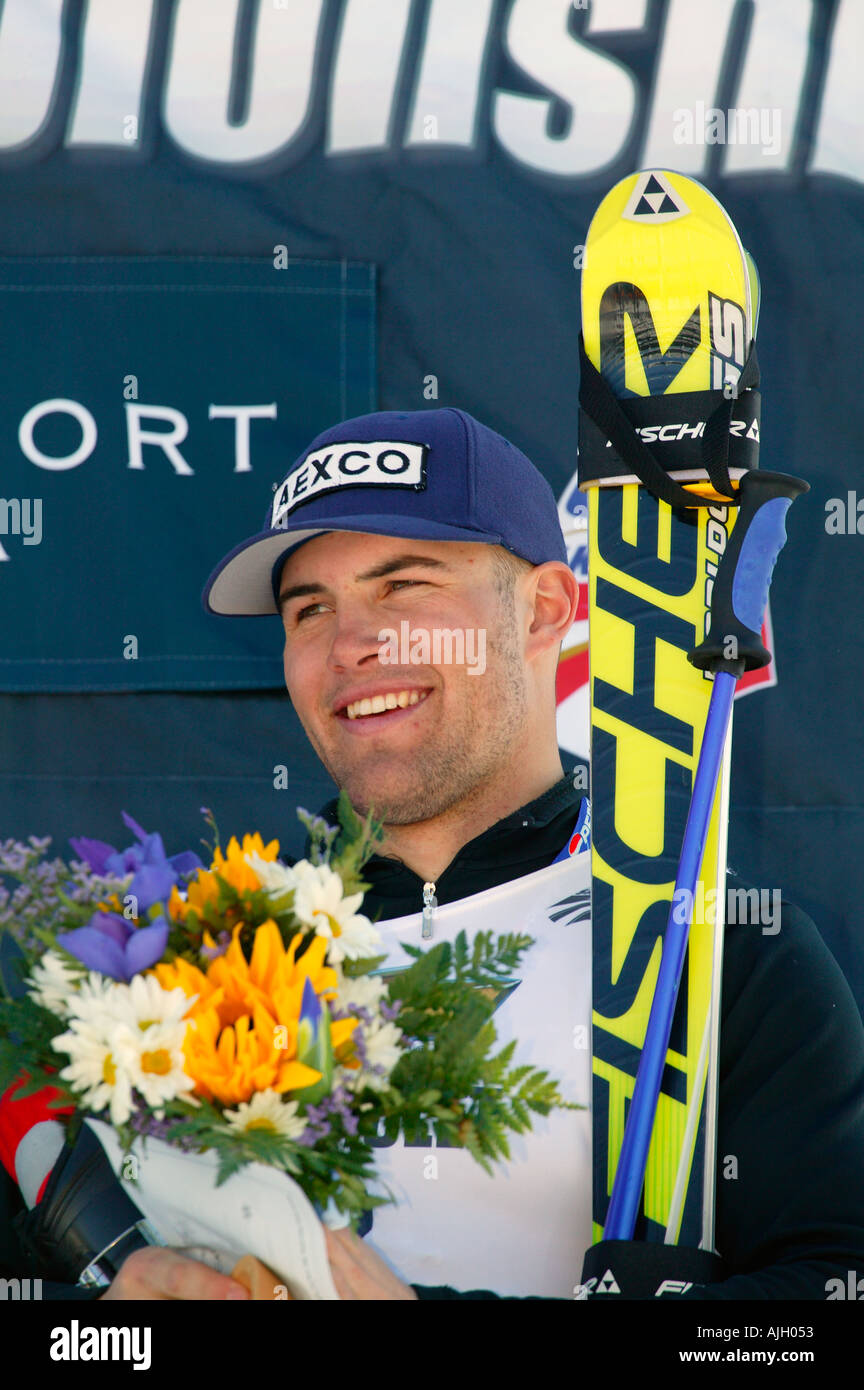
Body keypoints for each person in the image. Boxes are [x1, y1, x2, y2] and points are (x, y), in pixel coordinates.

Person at [3, 408, 863, 1299]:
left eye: (405, 587)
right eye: (310, 609)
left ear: (545, 609)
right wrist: (117, 1320)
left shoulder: (714, 946)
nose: (348, 647)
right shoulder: (187, 957)